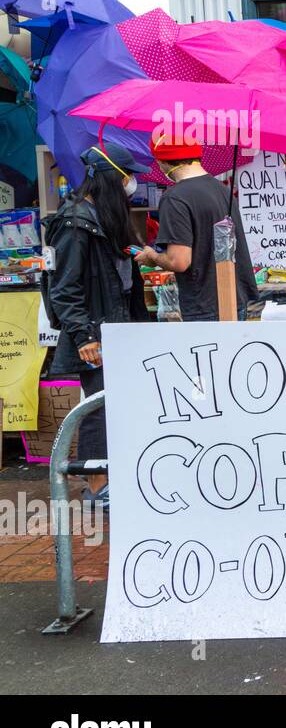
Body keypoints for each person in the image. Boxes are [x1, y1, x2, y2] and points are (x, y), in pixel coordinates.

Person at [45, 143, 152, 485]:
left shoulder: (102, 217)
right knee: (99, 408)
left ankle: (114, 480)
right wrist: (84, 337)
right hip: (96, 332)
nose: (131, 183)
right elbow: (64, 288)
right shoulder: (75, 223)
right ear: (111, 179)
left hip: (117, 328)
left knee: (116, 405)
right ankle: (96, 485)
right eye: (127, 176)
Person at [134, 136, 258, 321]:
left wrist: (152, 256)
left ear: (161, 162)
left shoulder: (175, 197)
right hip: (235, 299)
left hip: (205, 306)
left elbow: (179, 261)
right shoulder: (222, 189)